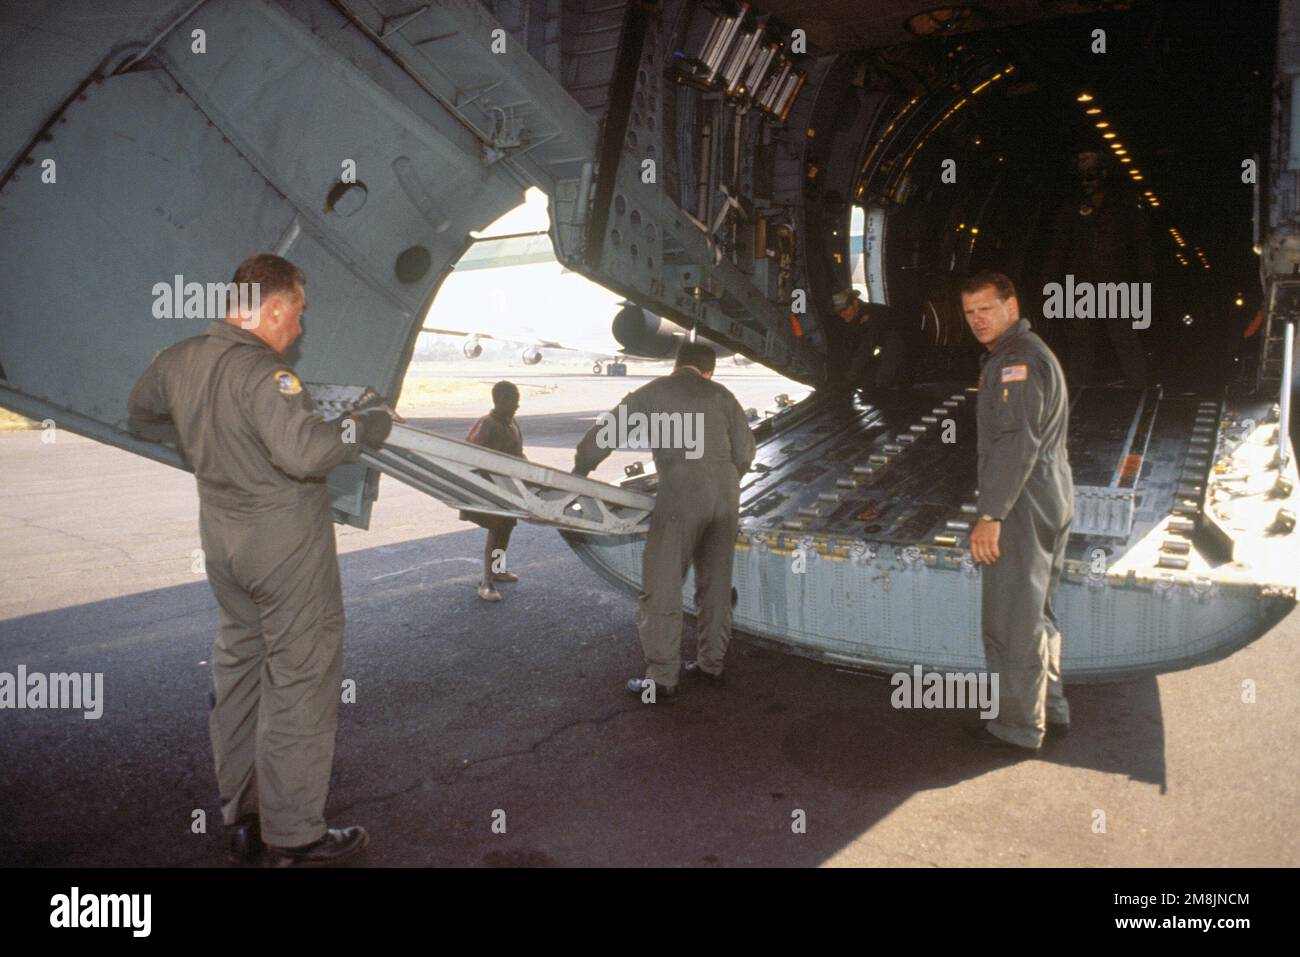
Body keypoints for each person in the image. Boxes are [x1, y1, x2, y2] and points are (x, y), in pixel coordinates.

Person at [127, 253, 391, 866]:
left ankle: (241, 816)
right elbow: (304, 453)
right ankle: (293, 833)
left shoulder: (179, 358)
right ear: (272, 308)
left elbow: (141, 413)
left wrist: (206, 439)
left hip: (222, 542)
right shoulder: (267, 376)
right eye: (297, 313)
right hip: (284, 548)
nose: (298, 329)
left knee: (240, 666)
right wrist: (364, 427)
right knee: (300, 677)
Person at [573, 341, 756, 700]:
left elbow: (606, 434)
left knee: (662, 583)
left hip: (682, 493)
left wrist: (582, 467)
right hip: (727, 494)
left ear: (677, 365)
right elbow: (746, 452)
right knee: (716, 583)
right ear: (709, 371)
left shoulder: (654, 392)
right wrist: (724, 479)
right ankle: (711, 664)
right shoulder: (723, 395)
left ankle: (661, 678)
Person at [960, 271, 1073, 753]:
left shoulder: (1017, 363)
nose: (977, 320)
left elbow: (1016, 444)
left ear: (1012, 305)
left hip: (1022, 503)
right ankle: (1049, 708)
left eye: (986, 309)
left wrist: (991, 515)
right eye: (969, 313)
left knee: (1012, 617)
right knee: (1037, 611)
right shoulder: (1026, 353)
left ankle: (1016, 727)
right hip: (1048, 494)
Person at [1042, 150, 1153, 388]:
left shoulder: (1123, 206)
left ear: (1103, 175)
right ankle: (1076, 395)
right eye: (1082, 177)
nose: (1086, 183)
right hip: (1081, 285)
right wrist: (1050, 282)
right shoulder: (1073, 207)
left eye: (1091, 177)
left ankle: (1140, 390)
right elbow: (1058, 247)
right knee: (1080, 344)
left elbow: (1140, 245)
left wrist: (1145, 284)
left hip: (1116, 284)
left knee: (1126, 341)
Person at [459, 381, 525, 602]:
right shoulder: (486, 424)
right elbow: (470, 457)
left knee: (506, 529)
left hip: (509, 489)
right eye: (513, 402)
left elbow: (518, 454)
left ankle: (498, 570)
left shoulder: (512, 423)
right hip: (489, 490)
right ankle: (486, 582)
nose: (517, 406)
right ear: (500, 401)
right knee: (496, 531)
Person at [830, 288, 907, 392]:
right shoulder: (857, 317)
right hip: (889, 345)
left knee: (882, 381)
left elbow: (866, 348)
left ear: (855, 304)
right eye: (839, 312)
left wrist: (848, 380)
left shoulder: (872, 315)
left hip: (904, 343)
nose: (843, 314)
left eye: (844, 309)